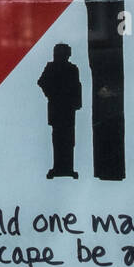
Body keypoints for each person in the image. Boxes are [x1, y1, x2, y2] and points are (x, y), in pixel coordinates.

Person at [38, 43, 82, 179]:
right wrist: (52, 94)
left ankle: (67, 167)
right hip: (60, 107)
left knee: (67, 138)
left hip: (65, 108)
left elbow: (77, 87)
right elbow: (42, 82)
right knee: (59, 138)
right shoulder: (54, 67)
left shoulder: (72, 69)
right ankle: (60, 167)